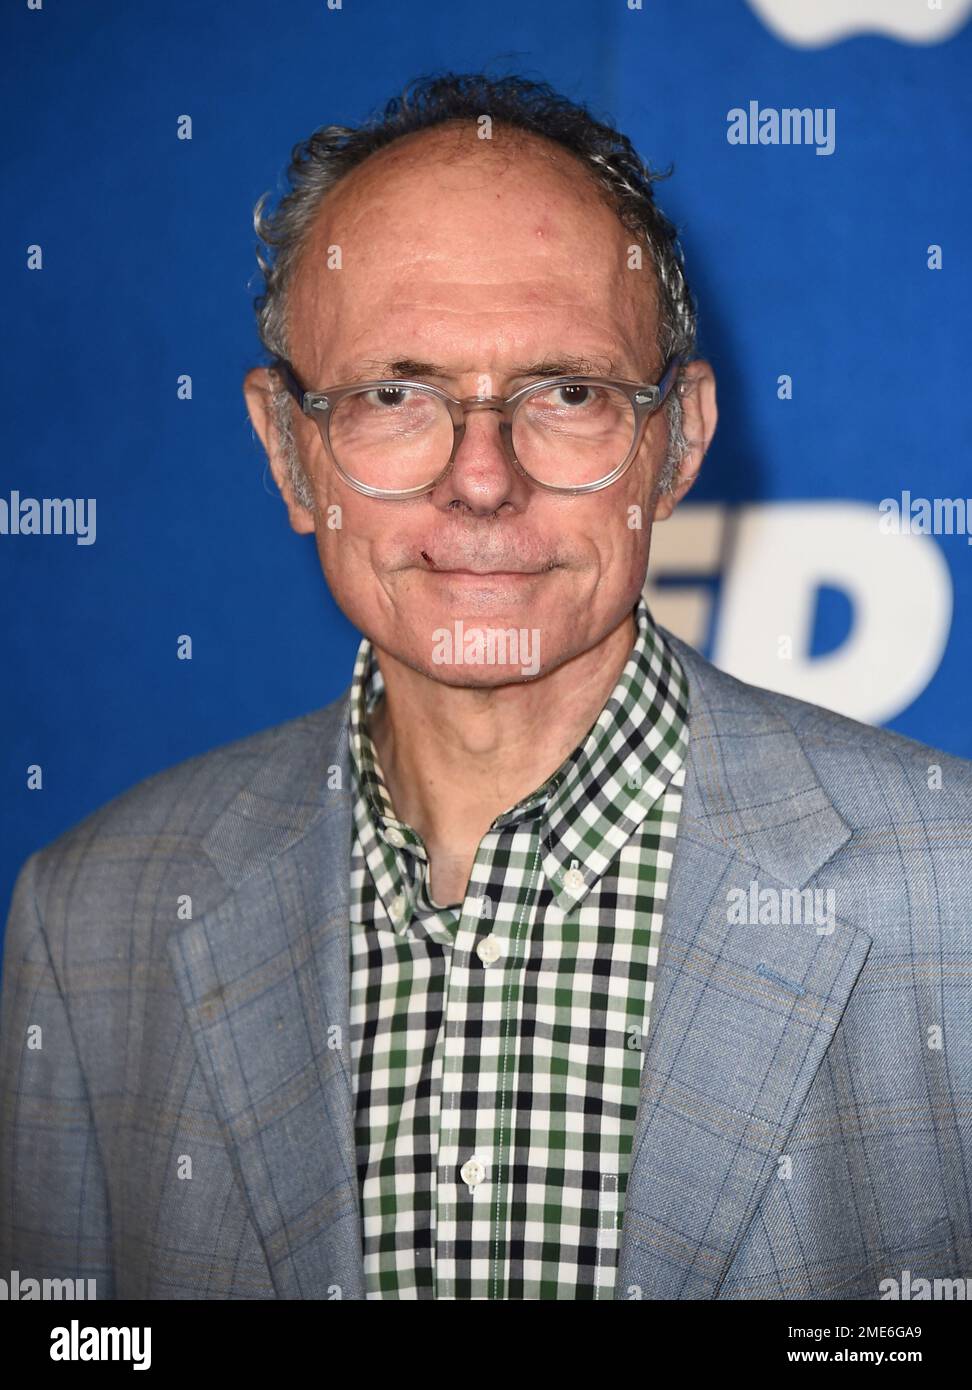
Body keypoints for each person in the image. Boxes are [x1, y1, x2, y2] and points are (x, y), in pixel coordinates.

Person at [2, 72, 970, 1301]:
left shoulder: (955, 901)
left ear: (677, 442)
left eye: (567, 392)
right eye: (395, 395)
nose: (480, 479)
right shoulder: (90, 925)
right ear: (291, 452)